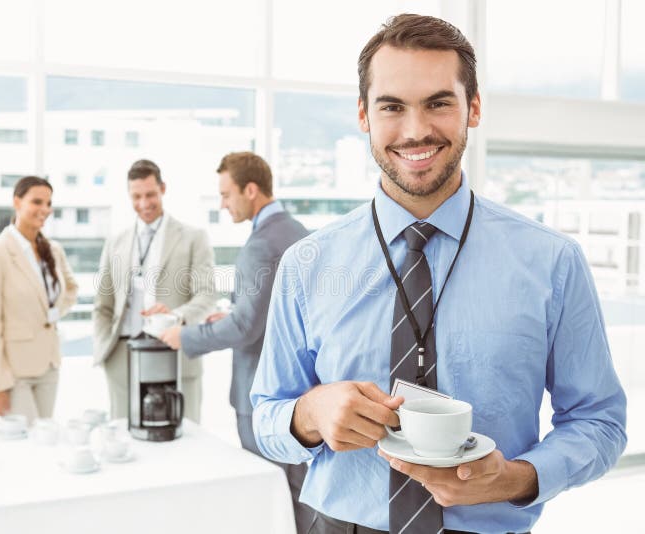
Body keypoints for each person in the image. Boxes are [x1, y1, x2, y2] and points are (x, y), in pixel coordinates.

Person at [250, 14, 627, 534]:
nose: (415, 130)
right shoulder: (305, 264)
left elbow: (600, 421)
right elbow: (266, 415)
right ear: (364, 115)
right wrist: (308, 415)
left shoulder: (552, 262)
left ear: (472, 108)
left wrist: (516, 478)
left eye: (438, 102)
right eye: (392, 107)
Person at [159, 152, 314, 534]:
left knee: (272, 497)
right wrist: (228, 315)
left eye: (226, 194)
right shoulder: (299, 232)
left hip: (261, 393)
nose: (223, 204)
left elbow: (246, 328)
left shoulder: (260, 245)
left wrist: (186, 336)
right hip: (302, 391)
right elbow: (268, 314)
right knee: (298, 491)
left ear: (250, 189)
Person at [94, 159, 215, 422]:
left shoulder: (194, 237)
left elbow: (207, 295)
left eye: (150, 194)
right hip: (123, 355)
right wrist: (104, 347)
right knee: (126, 439)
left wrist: (176, 316)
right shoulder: (115, 242)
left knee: (182, 438)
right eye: (136, 196)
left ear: (163, 189)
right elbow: (102, 305)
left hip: (174, 353)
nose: (144, 203)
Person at [0, 176, 78, 423]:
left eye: (49, 203)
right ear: (17, 202)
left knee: (46, 437)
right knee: (26, 444)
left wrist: (52, 313)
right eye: (37, 202)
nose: (45, 210)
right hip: (15, 370)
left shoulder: (53, 250)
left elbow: (71, 289)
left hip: (49, 363)